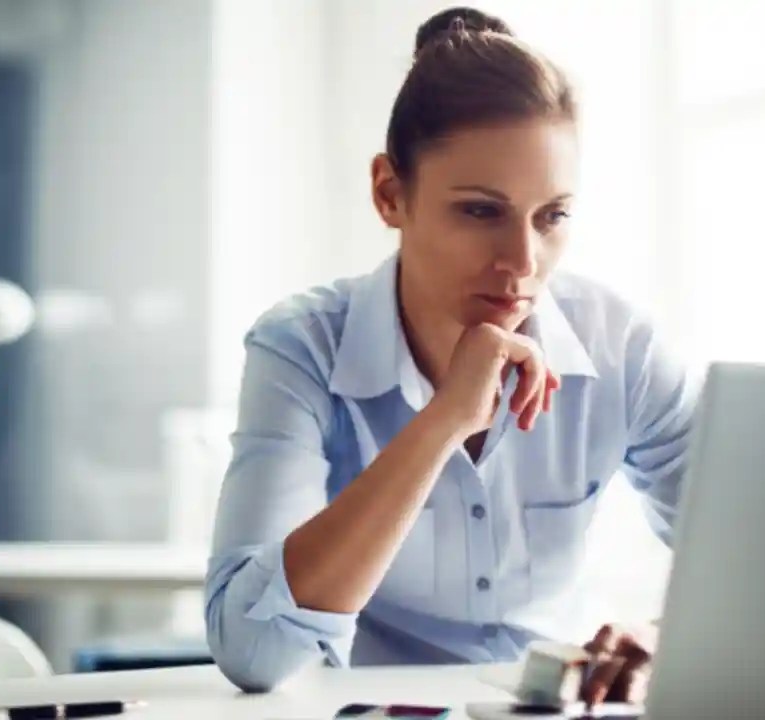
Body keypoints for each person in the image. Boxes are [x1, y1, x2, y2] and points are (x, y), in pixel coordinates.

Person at [204, 6, 695, 705]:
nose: (523, 262)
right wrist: (441, 422)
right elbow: (252, 652)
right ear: (389, 194)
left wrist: (659, 634)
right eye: (480, 211)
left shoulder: (624, 351)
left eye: (552, 216)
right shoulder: (302, 348)